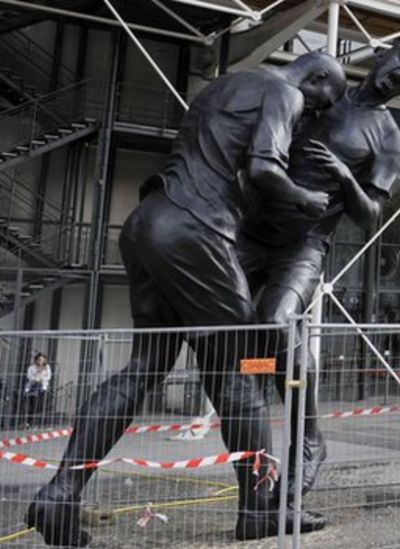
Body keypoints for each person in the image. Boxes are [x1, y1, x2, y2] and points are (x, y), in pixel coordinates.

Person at [25, 53, 347, 547]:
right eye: (323, 102)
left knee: (145, 366)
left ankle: (60, 494)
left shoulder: (227, 84)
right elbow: (264, 170)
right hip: (196, 230)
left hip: (148, 220)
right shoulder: (285, 92)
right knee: (242, 365)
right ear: (319, 77)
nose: (314, 114)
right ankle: (259, 509)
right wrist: (307, 199)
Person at [235, 41, 400, 503]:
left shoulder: (388, 139)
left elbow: (369, 217)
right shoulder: (325, 85)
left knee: (274, 322)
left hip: (303, 245)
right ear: (383, 56)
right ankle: (253, 483)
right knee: (225, 338)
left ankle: (309, 440)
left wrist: (345, 175)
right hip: (249, 231)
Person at [22, 352, 52, 427]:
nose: (41, 362)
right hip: (32, 388)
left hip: (42, 387)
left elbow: (48, 377)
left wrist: (41, 379)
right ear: (36, 360)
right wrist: (37, 377)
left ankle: (38, 422)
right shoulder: (31, 367)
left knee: (41, 405)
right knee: (31, 405)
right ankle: (29, 422)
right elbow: (29, 377)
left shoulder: (47, 367)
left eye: (42, 360)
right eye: (39, 360)